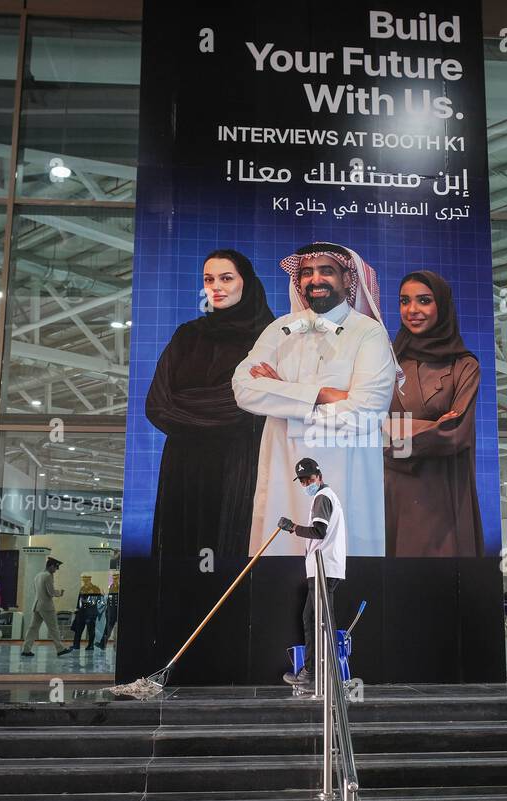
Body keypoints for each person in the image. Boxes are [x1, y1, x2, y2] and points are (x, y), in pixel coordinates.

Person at [232, 242, 397, 558]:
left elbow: (365, 411)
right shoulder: (279, 329)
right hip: (284, 472)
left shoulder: (369, 334)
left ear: (348, 279)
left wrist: (281, 396)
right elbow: (243, 389)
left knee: (342, 568)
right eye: (306, 272)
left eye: (326, 271)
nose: (314, 279)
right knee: (279, 564)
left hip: (348, 473)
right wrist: (320, 395)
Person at [147, 249, 276, 556]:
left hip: (241, 462)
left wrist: (189, 406)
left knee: (233, 550)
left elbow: (261, 401)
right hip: (184, 467)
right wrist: (234, 402)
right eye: (209, 279)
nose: (216, 286)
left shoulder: (270, 337)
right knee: (183, 554)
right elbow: (158, 405)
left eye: (226, 278)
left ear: (246, 283)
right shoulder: (187, 335)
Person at [383, 271, 484, 557]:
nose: (412, 310)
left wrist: (393, 433)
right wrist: (428, 427)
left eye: (424, 300)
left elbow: (454, 434)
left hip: (441, 496)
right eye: (404, 301)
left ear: (441, 305)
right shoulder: (384, 361)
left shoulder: (464, 366)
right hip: (393, 492)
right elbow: (366, 423)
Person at [277, 458, 345, 691]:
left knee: (318, 620)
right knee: (313, 618)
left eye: (309, 479)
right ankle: (313, 673)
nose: (306, 483)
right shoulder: (324, 496)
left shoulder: (322, 497)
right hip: (323, 568)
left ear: (319, 476)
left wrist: (292, 527)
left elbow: (318, 531)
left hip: (324, 568)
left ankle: (319, 675)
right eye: (303, 480)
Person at [20, 556, 73, 658]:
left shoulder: (38, 576)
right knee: (53, 628)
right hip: (46, 607)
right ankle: (60, 649)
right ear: (51, 566)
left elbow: (36, 591)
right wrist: (60, 593)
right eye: (55, 568)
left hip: (37, 605)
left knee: (33, 628)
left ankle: (26, 649)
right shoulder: (48, 576)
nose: (56, 570)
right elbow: (51, 592)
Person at [69, 574, 103, 651]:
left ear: (90, 580)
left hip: (91, 612)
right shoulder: (82, 588)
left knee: (91, 630)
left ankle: (90, 646)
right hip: (81, 612)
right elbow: (79, 600)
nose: (85, 582)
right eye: (84, 580)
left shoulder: (95, 589)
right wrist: (77, 609)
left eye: (86, 580)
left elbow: (97, 601)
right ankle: (76, 645)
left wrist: (87, 602)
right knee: (78, 629)